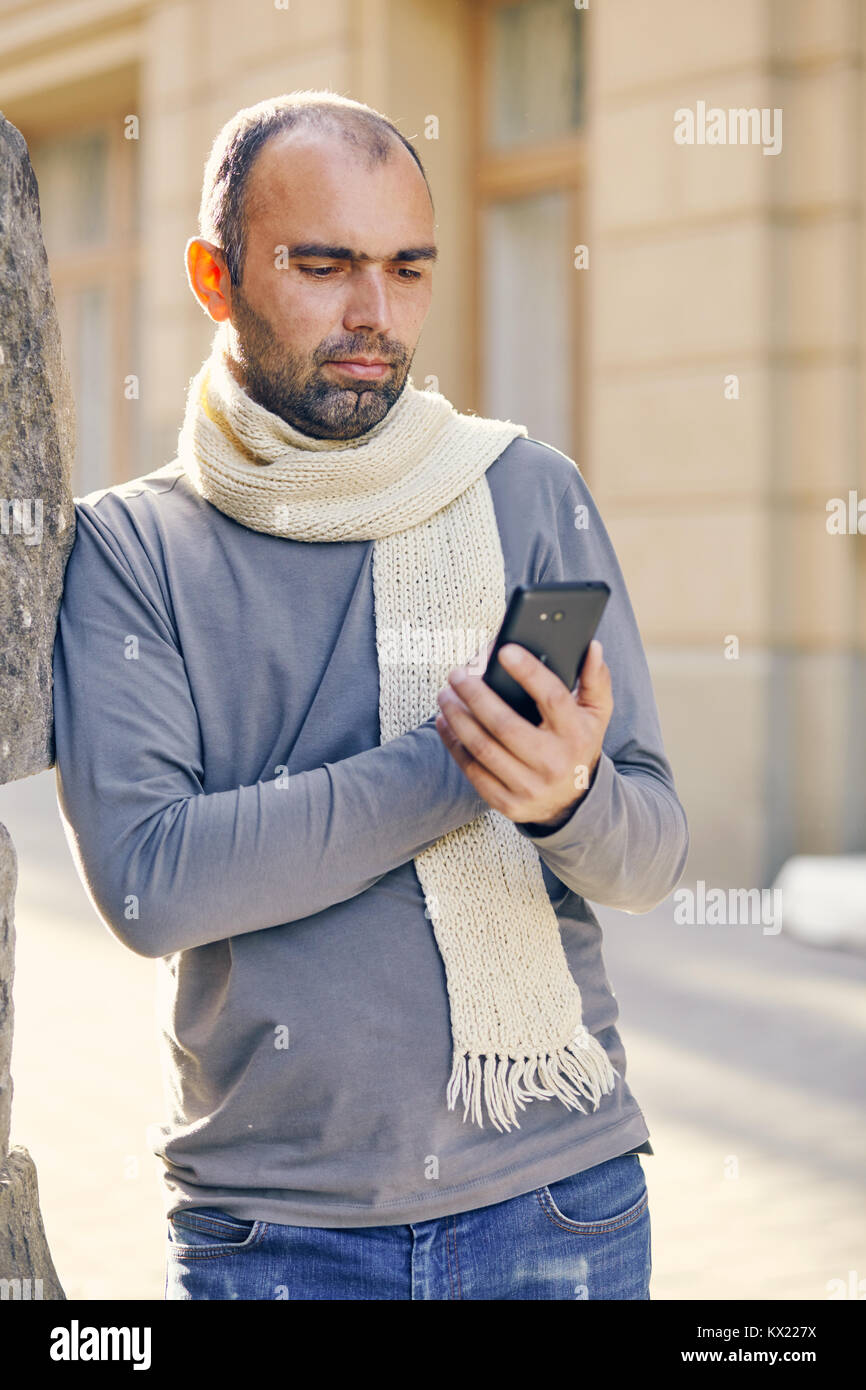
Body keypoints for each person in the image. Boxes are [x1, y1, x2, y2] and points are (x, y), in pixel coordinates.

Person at [51, 91, 689, 1301]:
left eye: (406, 270)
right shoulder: (132, 550)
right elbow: (153, 879)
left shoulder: (524, 492)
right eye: (323, 265)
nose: (373, 316)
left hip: (559, 1199)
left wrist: (566, 802)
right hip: (278, 1230)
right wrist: (463, 764)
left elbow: (650, 855)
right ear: (213, 276)